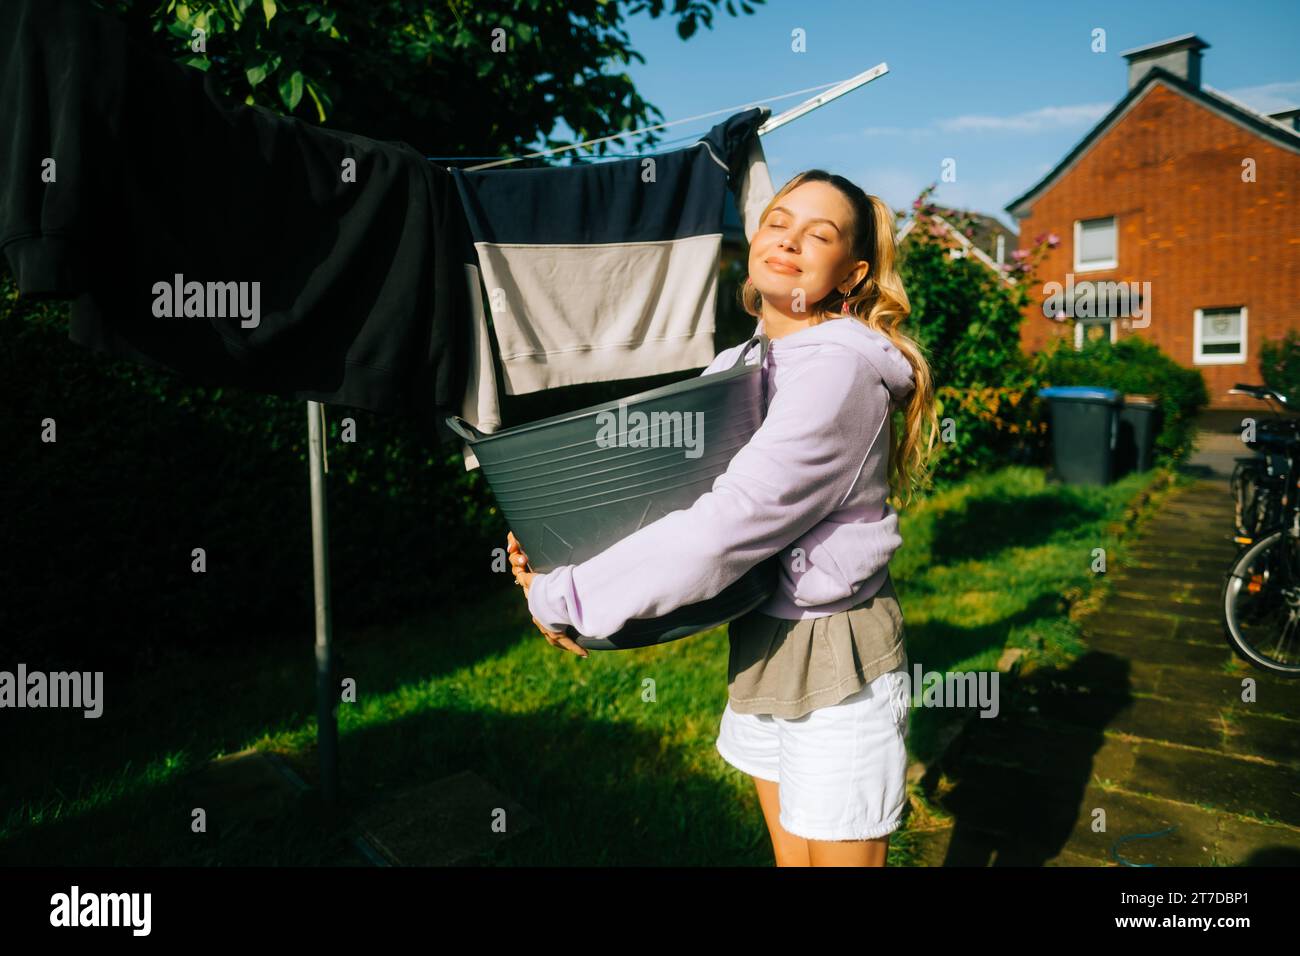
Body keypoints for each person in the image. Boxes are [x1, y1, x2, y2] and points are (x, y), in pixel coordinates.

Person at [508, 169, 937, 866]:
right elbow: (663, 491)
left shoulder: (837, 373)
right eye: (779, 221)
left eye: (819, 234)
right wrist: (556, 538)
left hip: (836, 653)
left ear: (852, 274)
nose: (791, 240)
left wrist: (565, 598)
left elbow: (722, 529)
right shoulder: (740, 361)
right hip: (762, 634)